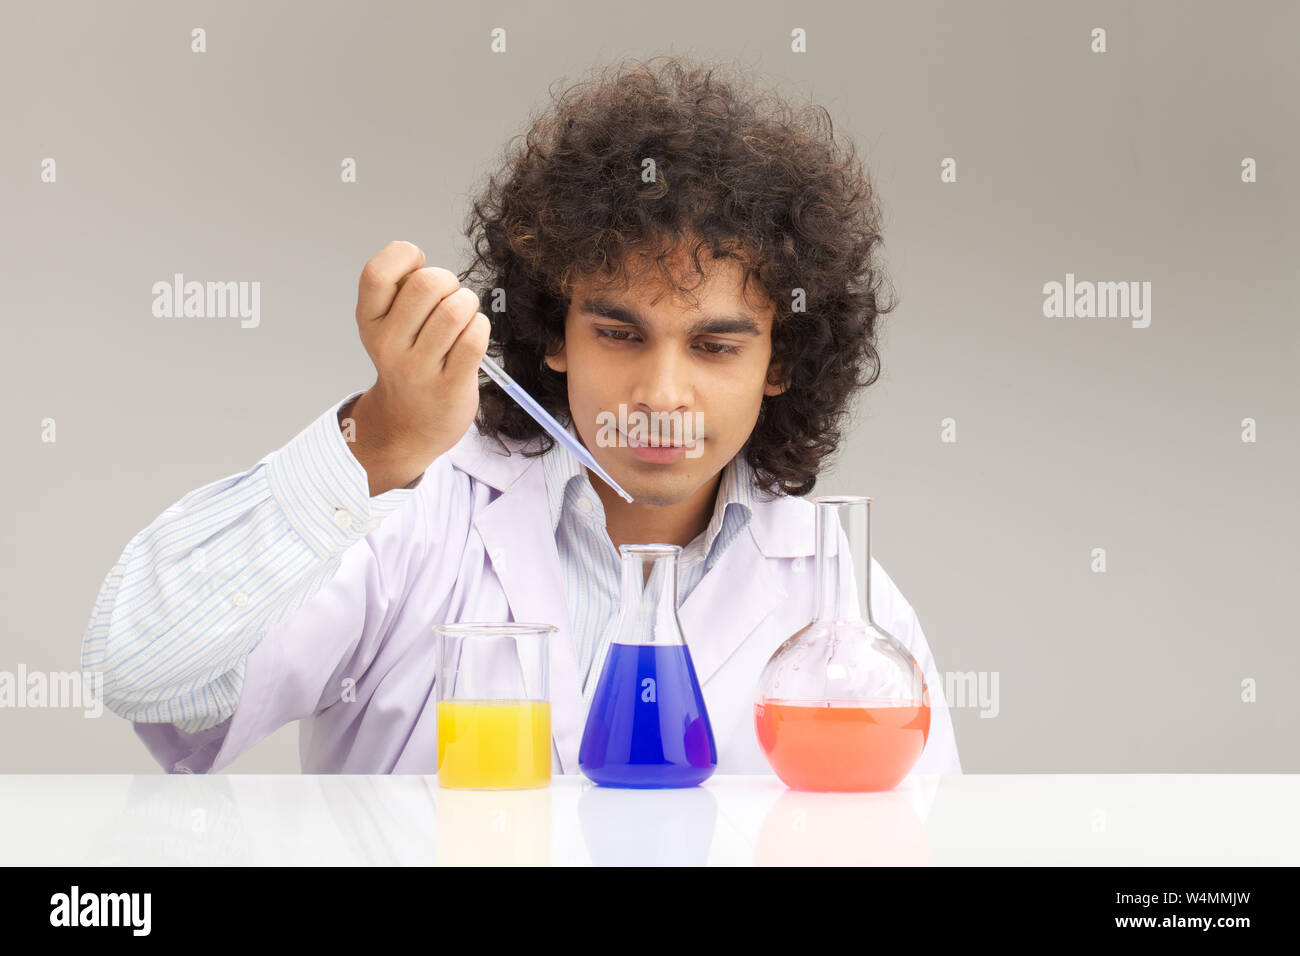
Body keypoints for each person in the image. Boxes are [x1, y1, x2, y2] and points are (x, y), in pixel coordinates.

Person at [81, 55, 962, 776]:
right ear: (552, 333)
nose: (660, 394)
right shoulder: (421, 517)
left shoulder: (841, 603)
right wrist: (380, 440)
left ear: (783, 363)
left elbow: (912, 843)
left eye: (716, 346)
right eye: (619, 332)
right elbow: (147, 674)